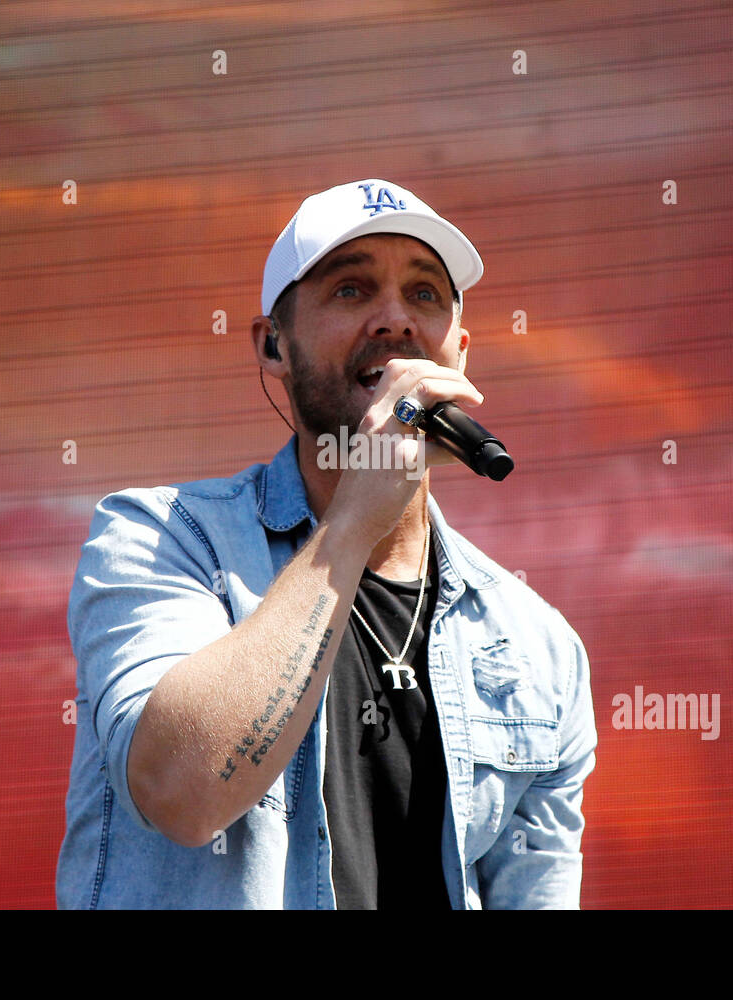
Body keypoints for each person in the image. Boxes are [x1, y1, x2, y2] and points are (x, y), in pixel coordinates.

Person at [56, 178, 597, 909]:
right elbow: (182, 795)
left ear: (458, 355)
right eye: (350, 290)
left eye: (426, 295)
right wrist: (352, 523)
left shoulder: (537, 646)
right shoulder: (162, 539)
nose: (396, 321)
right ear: (274, 344)